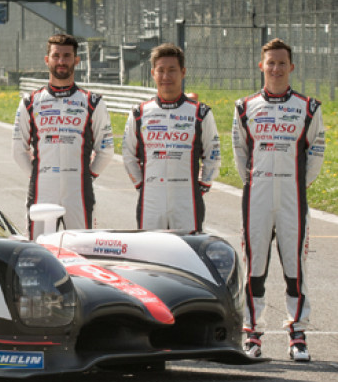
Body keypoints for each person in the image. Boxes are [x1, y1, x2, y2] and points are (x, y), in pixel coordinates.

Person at [233, 39, 326, 362]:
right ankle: (252, 334)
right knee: (254, 268)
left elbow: (316, 150)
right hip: (257, 195)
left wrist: (299, 183)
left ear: (291, 67)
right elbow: (240, 152)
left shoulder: (308, 107)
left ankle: (297, 336)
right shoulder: (244, 107)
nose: (275, 68)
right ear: (261, 66)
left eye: (281, 63)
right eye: (270, 63)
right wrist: (256, 182)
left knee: (294, 268)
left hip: (292, 197)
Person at [12, 33, 114, 238]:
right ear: (47, 59)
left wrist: (88, 175)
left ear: (76, 60)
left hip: (79, 190)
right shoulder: (30, 102)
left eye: (67, 56)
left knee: (83, 248)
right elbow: (18, 149)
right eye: (56, 55)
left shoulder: (92, 102)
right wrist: (37, 175)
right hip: (42, 189)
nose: (61, 61)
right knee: (38, 249)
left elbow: (106, 149)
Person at [122, 43, 221, 232]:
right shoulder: (139, 112)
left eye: (172, 70)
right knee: (149, 255)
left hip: (187, 198)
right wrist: (142, 186)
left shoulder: (200, 112)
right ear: (153, 73)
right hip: (151, 198)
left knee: (187, 255)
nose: (166, 76)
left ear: (183, 72)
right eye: (161, 70)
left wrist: (201, 187)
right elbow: (128, 154)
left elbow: (213, 155)